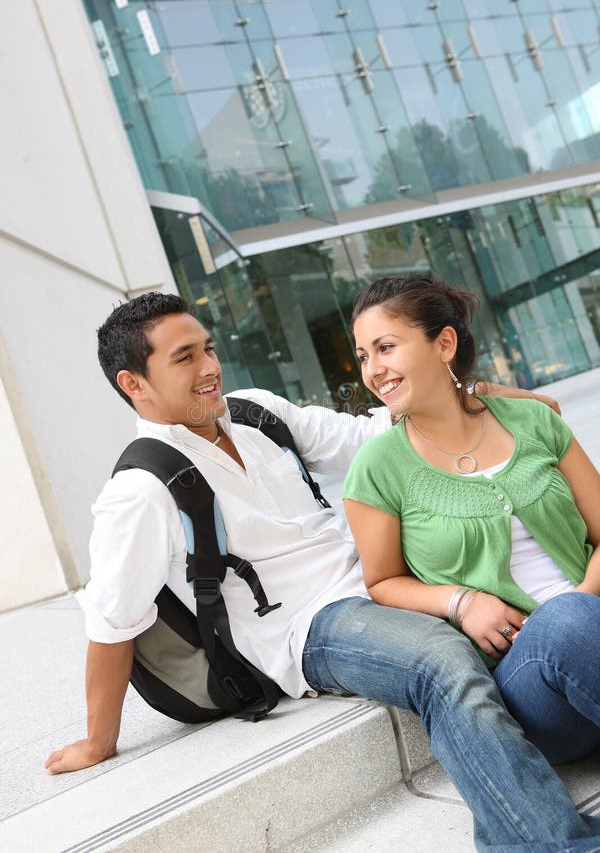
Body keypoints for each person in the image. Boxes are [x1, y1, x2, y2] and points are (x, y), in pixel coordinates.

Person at [44, 291, 600, 851]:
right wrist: (99, 740)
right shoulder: (138, 490)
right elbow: (111, 621)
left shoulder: (256, 412)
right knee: (442, 662)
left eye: (208, 348)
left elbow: (370, 433)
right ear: (133, 384)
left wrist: (489, 399)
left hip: (374, 581)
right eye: (184, 357)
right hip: (310, 627)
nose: (210, 367)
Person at [344, 275, 600, 768]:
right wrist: (462, 601)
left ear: (443, 343)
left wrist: (583, 598)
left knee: (573, 619)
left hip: (590, 621)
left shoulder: (533, 422)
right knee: (567, 624)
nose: (373, 370)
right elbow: (382, 581)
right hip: (528, 680)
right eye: (363, 356)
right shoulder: (377, 468)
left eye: (385, 348)